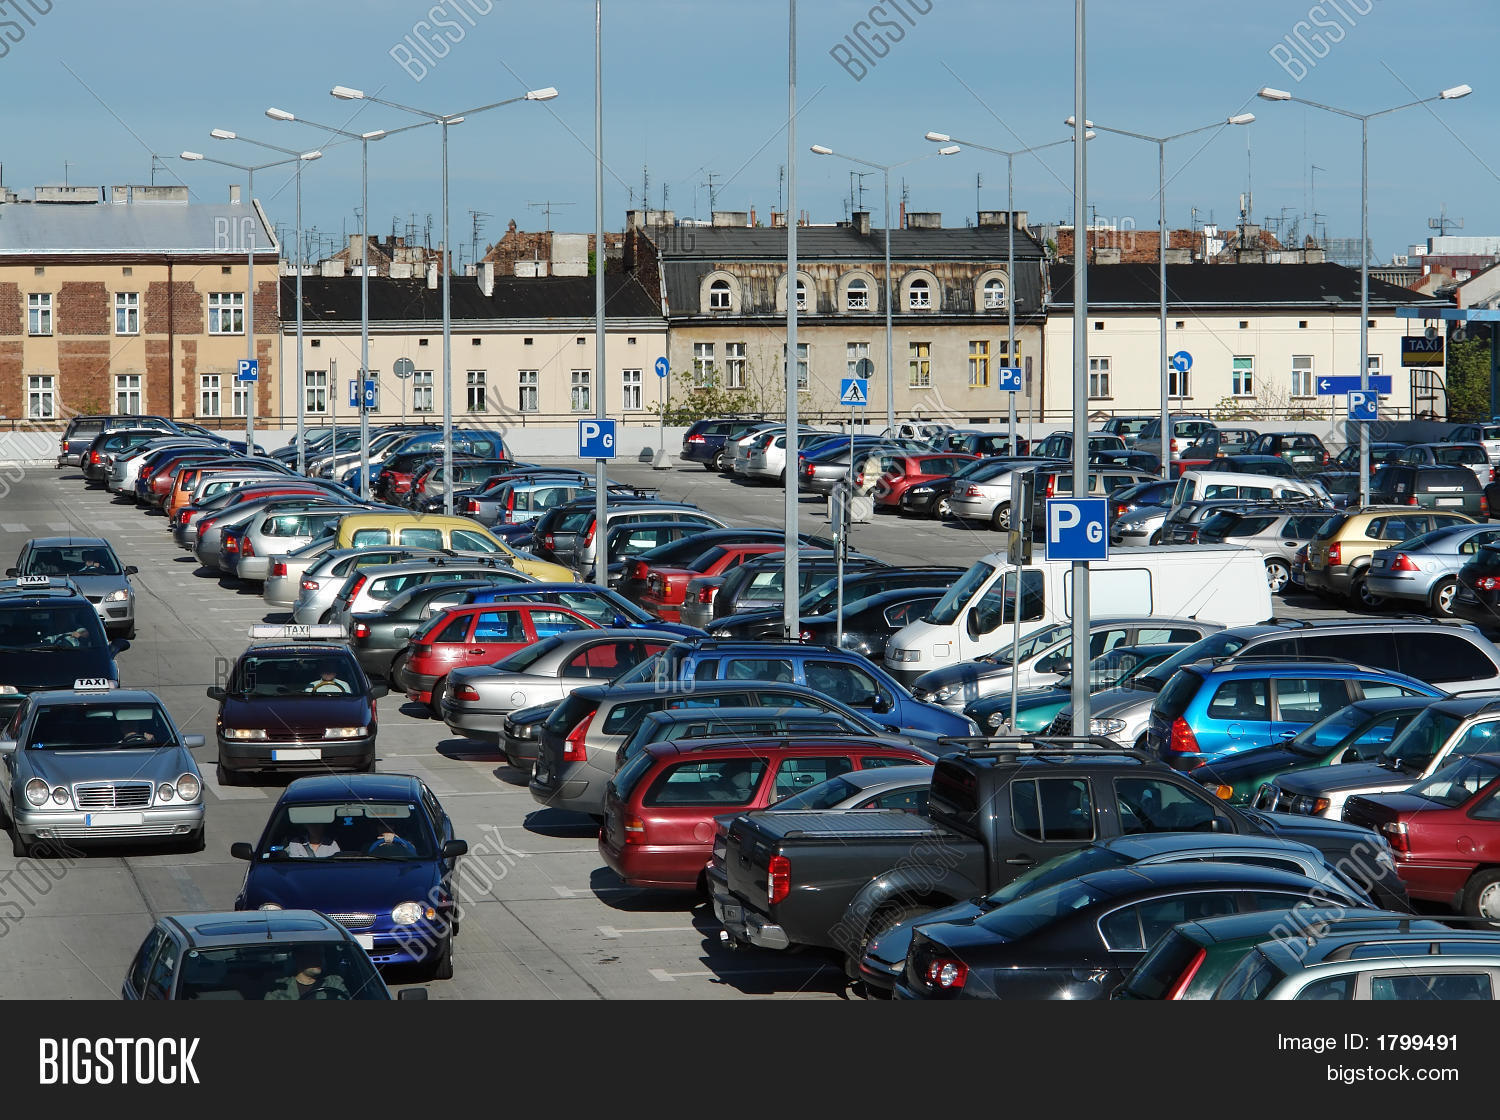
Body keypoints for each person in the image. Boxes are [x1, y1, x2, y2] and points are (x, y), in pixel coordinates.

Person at [265, 948, 351, 1000]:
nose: (319, 958)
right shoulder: (280, 988)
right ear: (298, 957)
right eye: (313, 954)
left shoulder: (334, 983)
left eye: (321, 954)